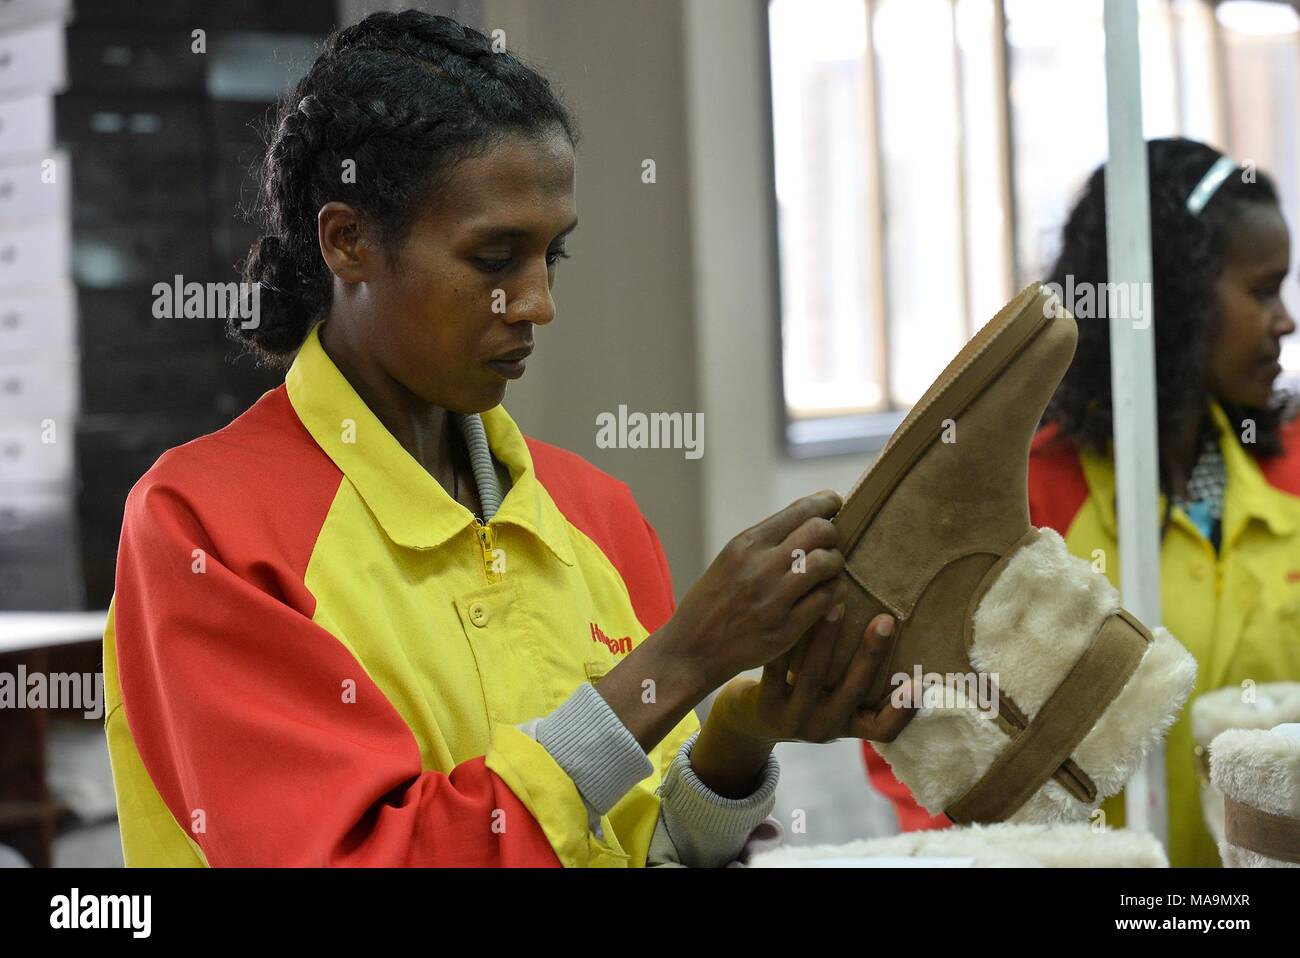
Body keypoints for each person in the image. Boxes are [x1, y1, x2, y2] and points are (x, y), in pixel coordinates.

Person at [102, 10, 914, 868]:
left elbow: (648, 851)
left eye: (550, 258)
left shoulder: (597, 516)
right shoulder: (206, 531)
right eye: (495, 260)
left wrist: (742, 732)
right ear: (348, 242)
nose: (536, 304)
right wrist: (679, 662)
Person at [864, 137, 1300, 867]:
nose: (1285, 321)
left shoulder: (1288, 470)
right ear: (1181, 297)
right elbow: (914, 750)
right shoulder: (1024, 499)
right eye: (1263, 290)